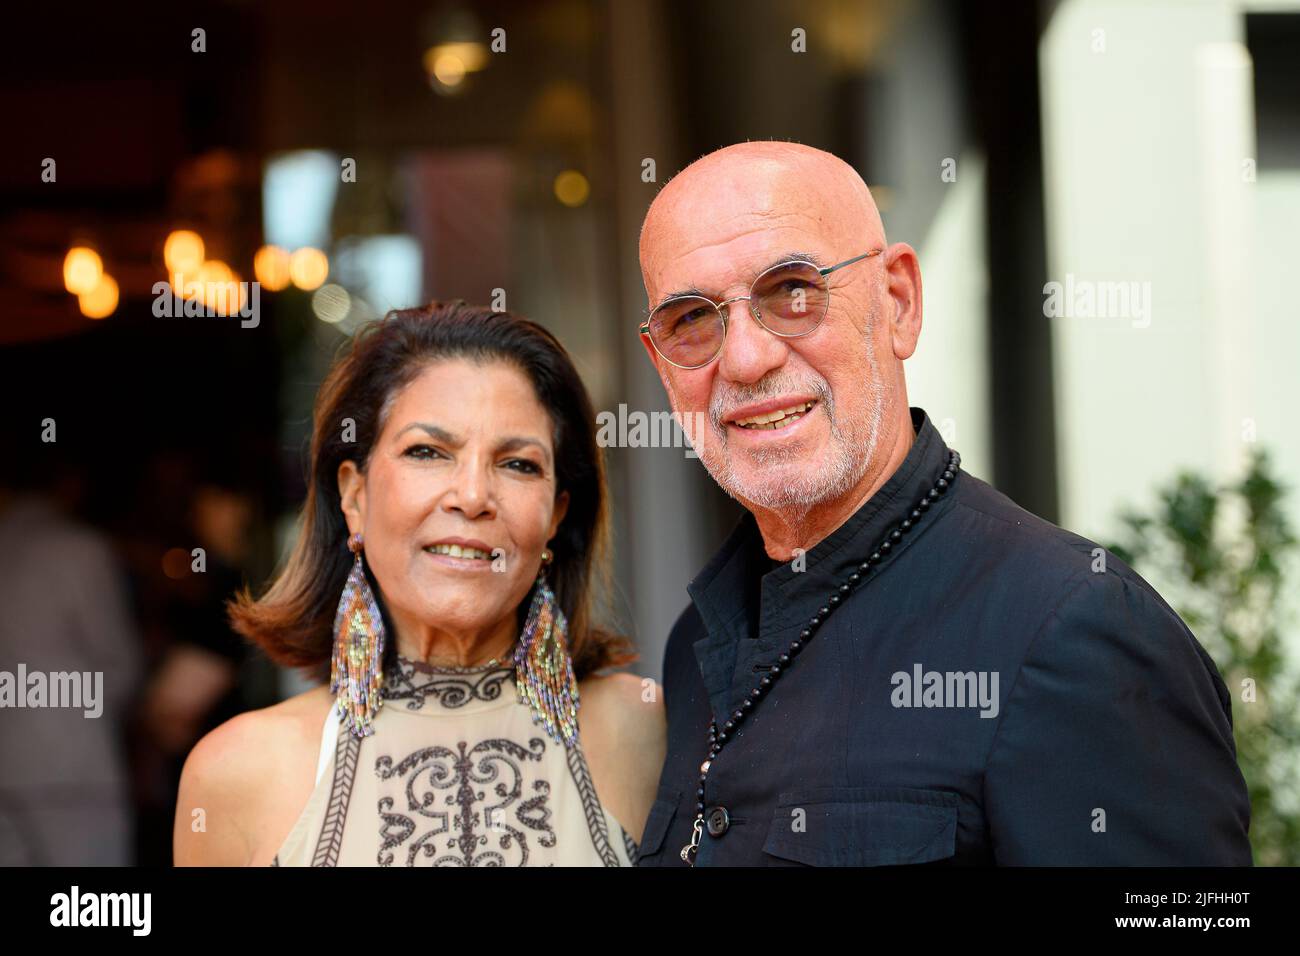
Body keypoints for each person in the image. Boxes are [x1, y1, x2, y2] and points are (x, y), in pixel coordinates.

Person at [631, 141, 1251, 866]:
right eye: (692, 321)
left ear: (898, 301)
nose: (744, 359)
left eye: (792, 293)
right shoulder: (692, 650)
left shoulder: (1075, 631)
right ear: (661, 364)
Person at [174, 301, 664, 866]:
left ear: (555, 514)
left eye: (518, 464)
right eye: (427, 452)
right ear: (354, 497)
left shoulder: (647, 731)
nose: (473, 496)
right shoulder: (238, 772)